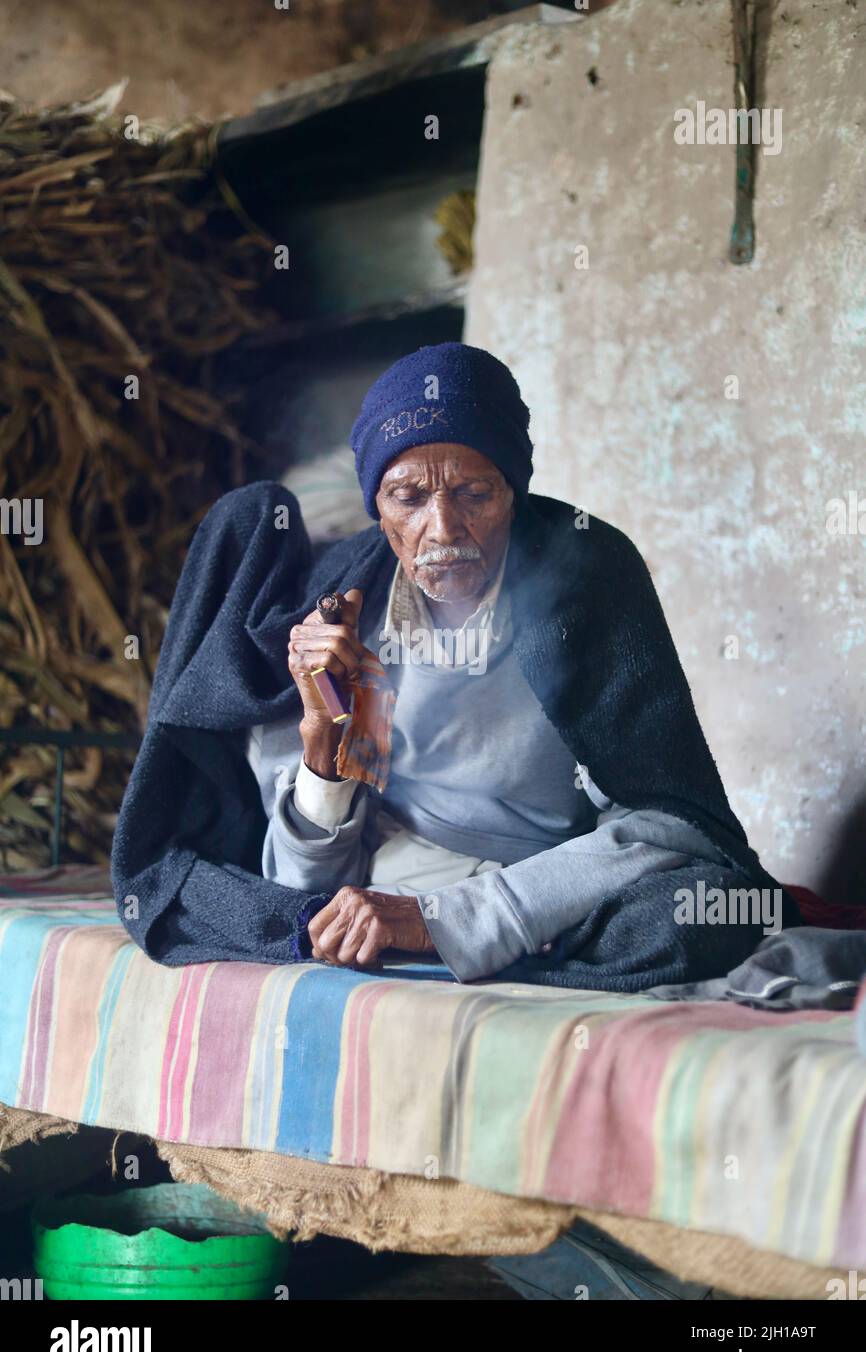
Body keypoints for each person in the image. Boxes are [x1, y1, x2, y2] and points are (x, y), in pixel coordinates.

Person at [113, 342, 798, 987]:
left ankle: (481, 946)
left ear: (514, 491)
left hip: (545, 890)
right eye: (408, 497)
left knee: (710, 910)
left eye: (474, 492)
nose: (443, 529)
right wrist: (324, 758)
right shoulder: (346, 617)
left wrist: (451, 921)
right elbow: (301, 891)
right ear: (378, 509)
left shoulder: (584, 575)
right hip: (380, 888)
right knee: (221, 896)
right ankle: (464, 946)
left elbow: (673, 821)